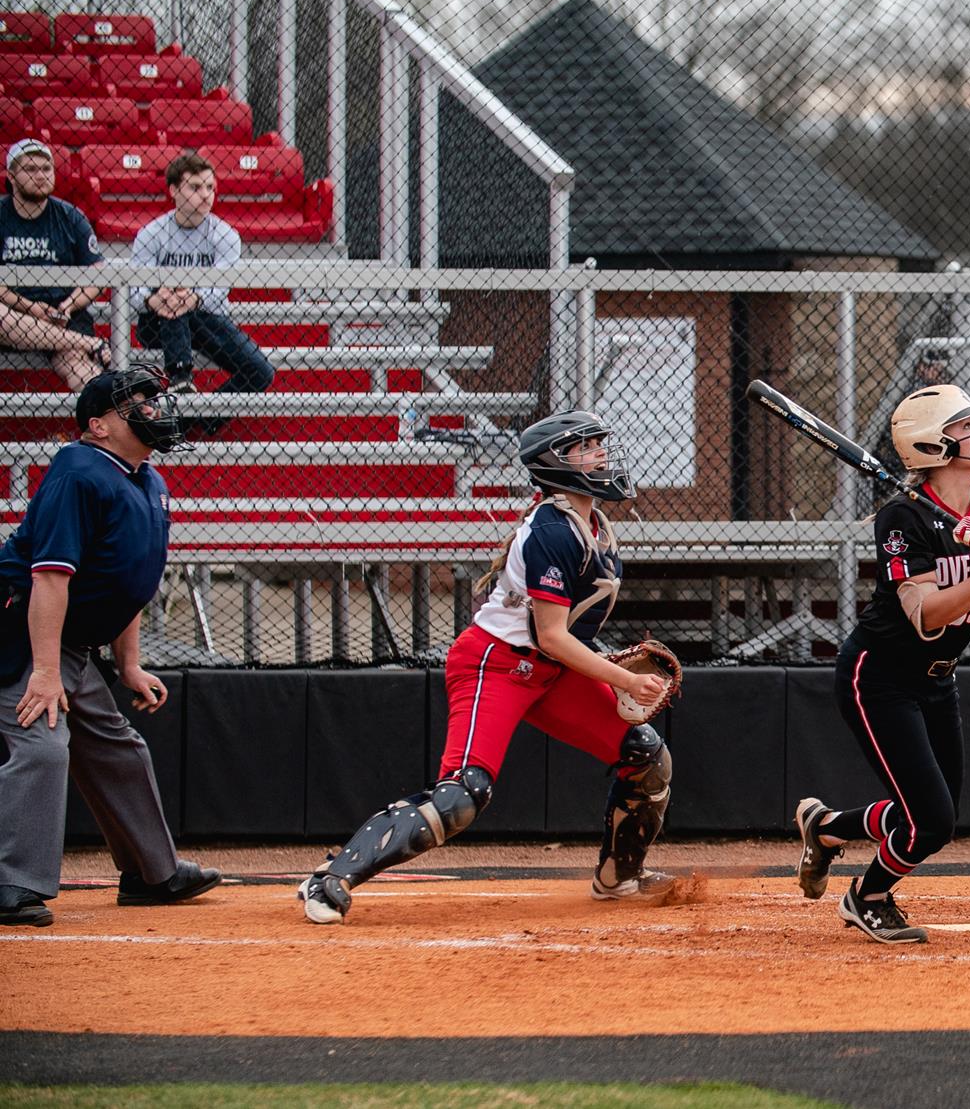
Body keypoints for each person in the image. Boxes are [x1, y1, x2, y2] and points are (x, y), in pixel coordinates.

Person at [297, 411, 675, 924]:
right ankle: (333, 877)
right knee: (463, 794)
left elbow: (563, 638)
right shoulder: (549, 530)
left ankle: (618, 877)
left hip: (550, 670)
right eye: (586, 448)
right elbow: (551, 635)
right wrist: (625, 678)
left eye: (598, 445)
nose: (600, 456)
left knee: (646, 755)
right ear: (554, 464)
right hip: (494, 665)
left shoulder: (595, 527)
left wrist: (607, 667)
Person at [793, 384, 970, 944]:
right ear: (934, 446)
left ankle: (825, 827)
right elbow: (924, 617)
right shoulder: (901, 517)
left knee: (932, 813)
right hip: (880, 676)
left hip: (939, 681)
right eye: (967, 427)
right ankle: (865, 897)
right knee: (930, 821)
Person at [0, 365, 219, 927]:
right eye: (138, 404)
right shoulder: (78, 470)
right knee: (41, 746)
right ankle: (10, 882)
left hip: (69, 642)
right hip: (19, 629)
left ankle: (152, 874)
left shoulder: (148, 479)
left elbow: (130, 579)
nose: (154, 409)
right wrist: (45, 672)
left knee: (119, 749)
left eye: (154, 400)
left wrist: (128, 663)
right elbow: (49, 577)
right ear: (96, 426)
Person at [129, 152, 275, 405]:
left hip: (207, 322)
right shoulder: (151, 233)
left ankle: (199, 418)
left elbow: (219, 290)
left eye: (210, 187)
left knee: (261, 372)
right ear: (173, 190)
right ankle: (179, 376)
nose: (206, 194)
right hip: (157, 322)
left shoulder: (226, 235)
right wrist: (154, 300)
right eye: (195, 187)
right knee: (172, 305)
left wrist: (192, 299)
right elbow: (134, 291)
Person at [0, 139, 111, 389]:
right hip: (13, 312)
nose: (40, 176)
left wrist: (68, 306)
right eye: (30, 169)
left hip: (63, 311)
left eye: (46, 169)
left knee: (82, 370)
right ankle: (88, 343)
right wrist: (30, 308)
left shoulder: (70, 216)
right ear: (12, 176)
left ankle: (109, 420)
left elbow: (98, 274)